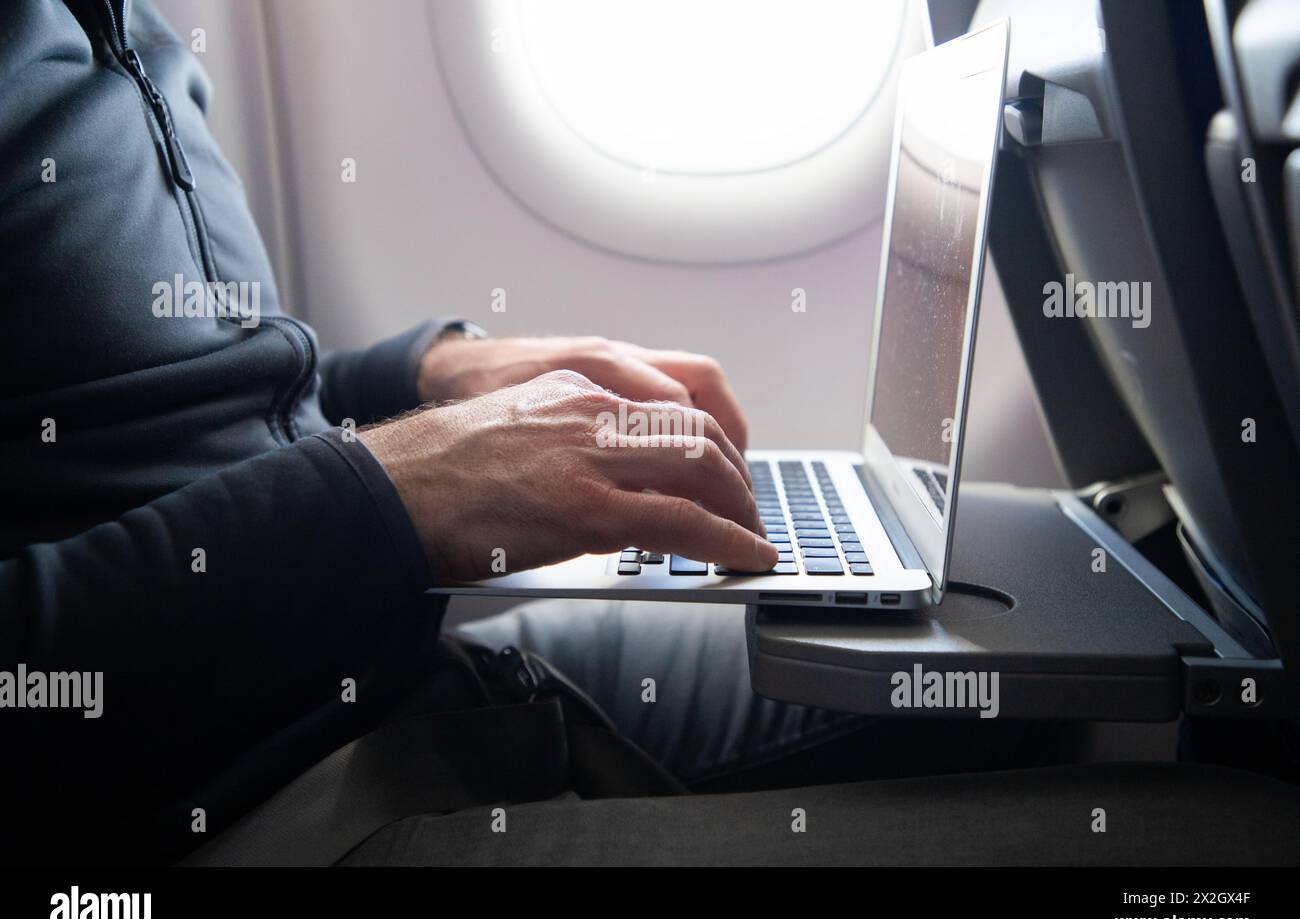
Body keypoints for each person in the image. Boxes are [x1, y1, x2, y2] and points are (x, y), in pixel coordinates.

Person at [0, 1, 1051, 864]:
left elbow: (173, 414)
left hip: (375, 660)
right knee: (1186, 830)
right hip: (230, 801)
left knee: (1041, 596)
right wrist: (395, 494)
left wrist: (427, 377)